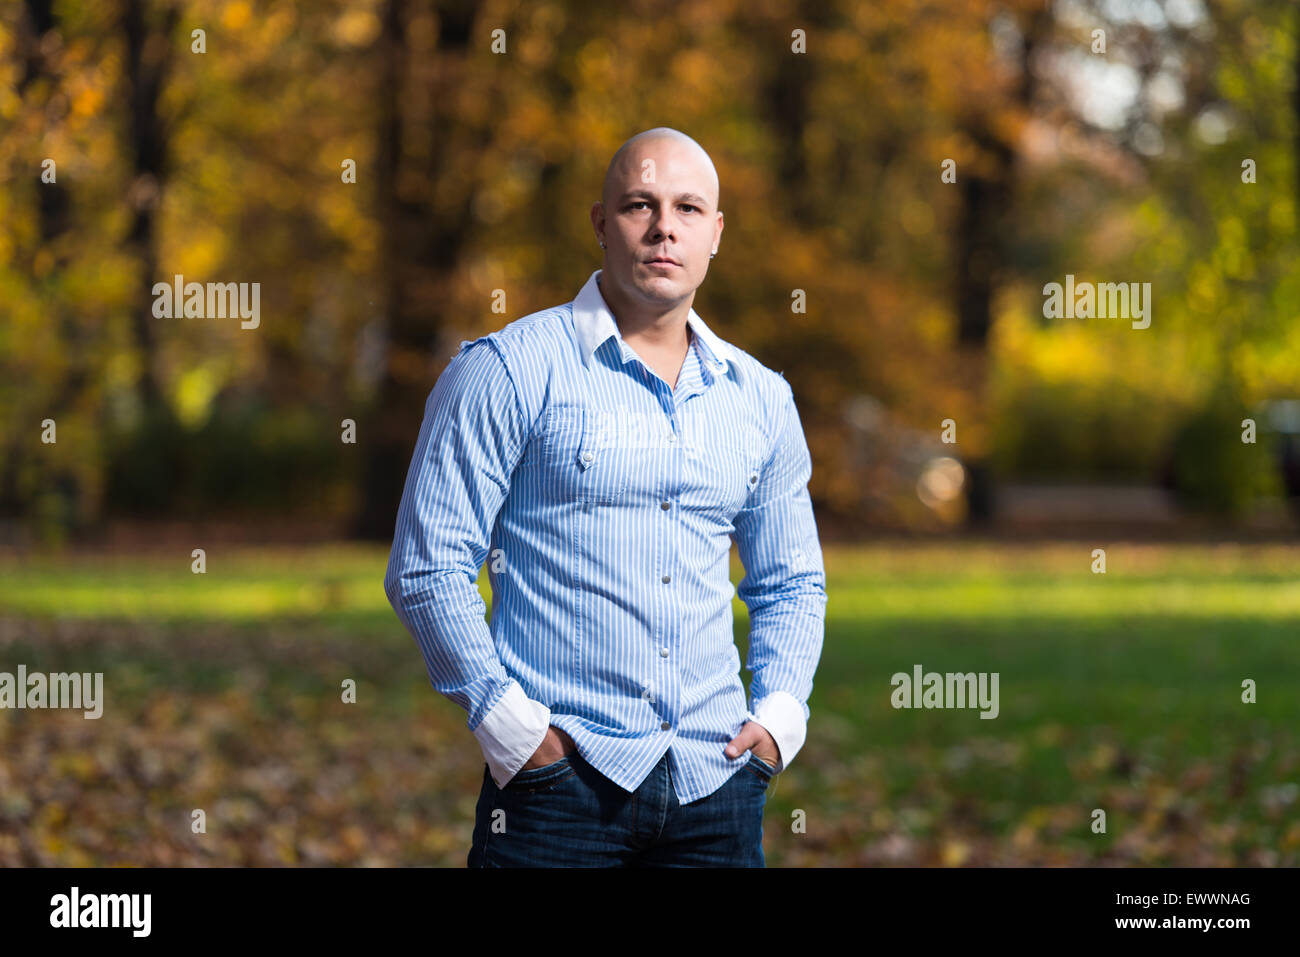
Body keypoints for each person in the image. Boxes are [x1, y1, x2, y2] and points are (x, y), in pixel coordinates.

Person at [384, 127, 827, 866]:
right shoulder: (508, 370)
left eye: (688, 208)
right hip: (555, 792)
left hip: (716, 788)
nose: (664, 227)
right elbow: (427, 568)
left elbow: (791, 580)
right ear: (600, 223)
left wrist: (780, 715)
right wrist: (510, 727)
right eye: (638, 205)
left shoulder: (762, 399)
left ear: (715, 233)